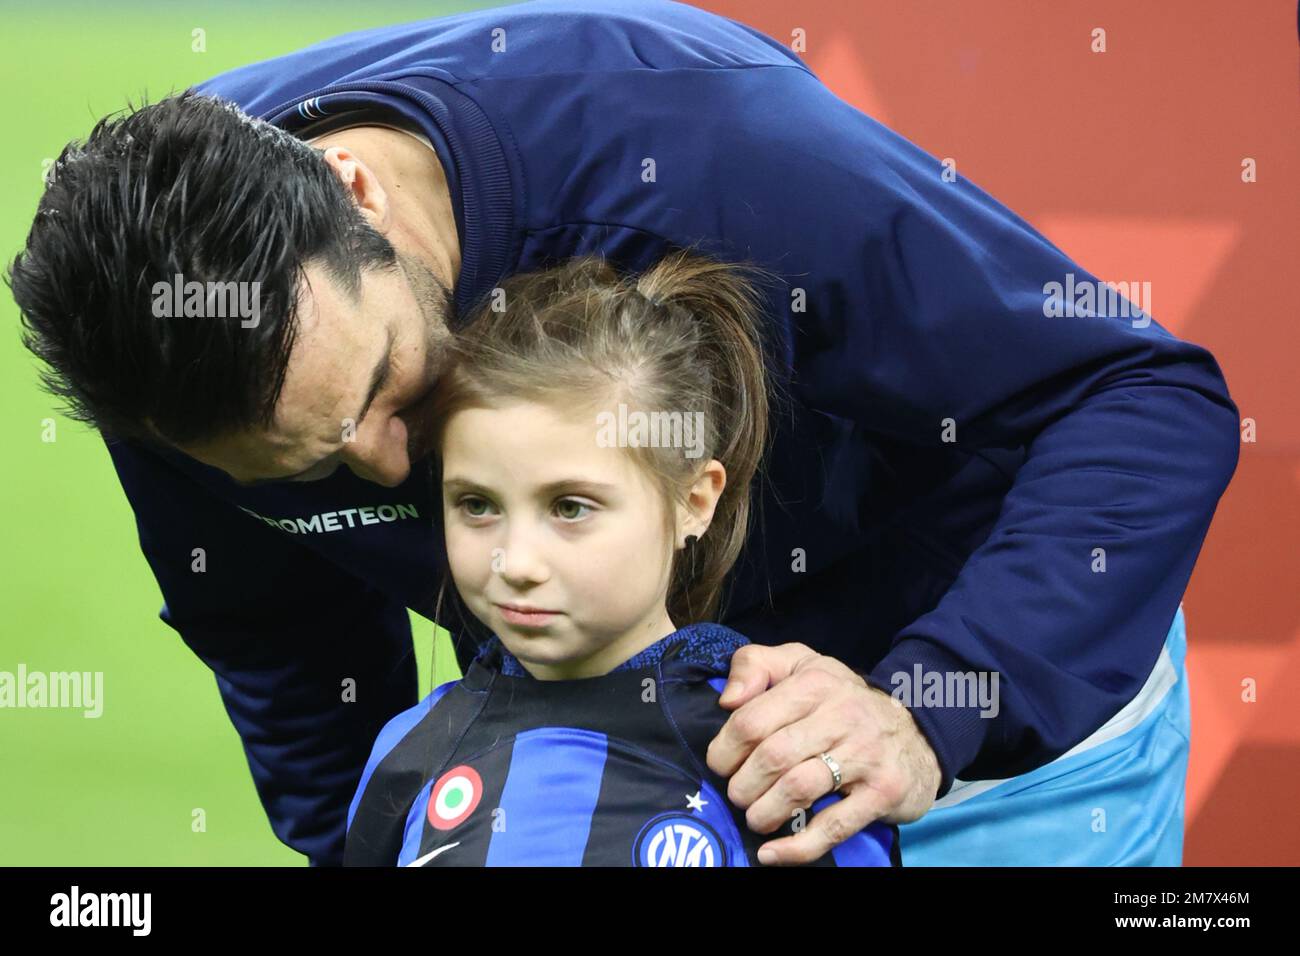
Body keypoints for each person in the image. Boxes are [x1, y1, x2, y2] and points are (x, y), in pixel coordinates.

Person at [6, 0, 1238, 866]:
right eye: (315, 466)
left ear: (353, 191)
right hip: (592, 779)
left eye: (388, 386)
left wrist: (922, 705)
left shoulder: (711, 140)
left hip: (973, 730)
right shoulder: (164, 327)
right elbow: (277, 637)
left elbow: (1138, 400)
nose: (396, 476)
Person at [346, 250, 897, 866]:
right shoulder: (408, 749)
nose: (516, 562)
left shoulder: (776, 751)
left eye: (571, 507)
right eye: (477, 505)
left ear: (694, 500)